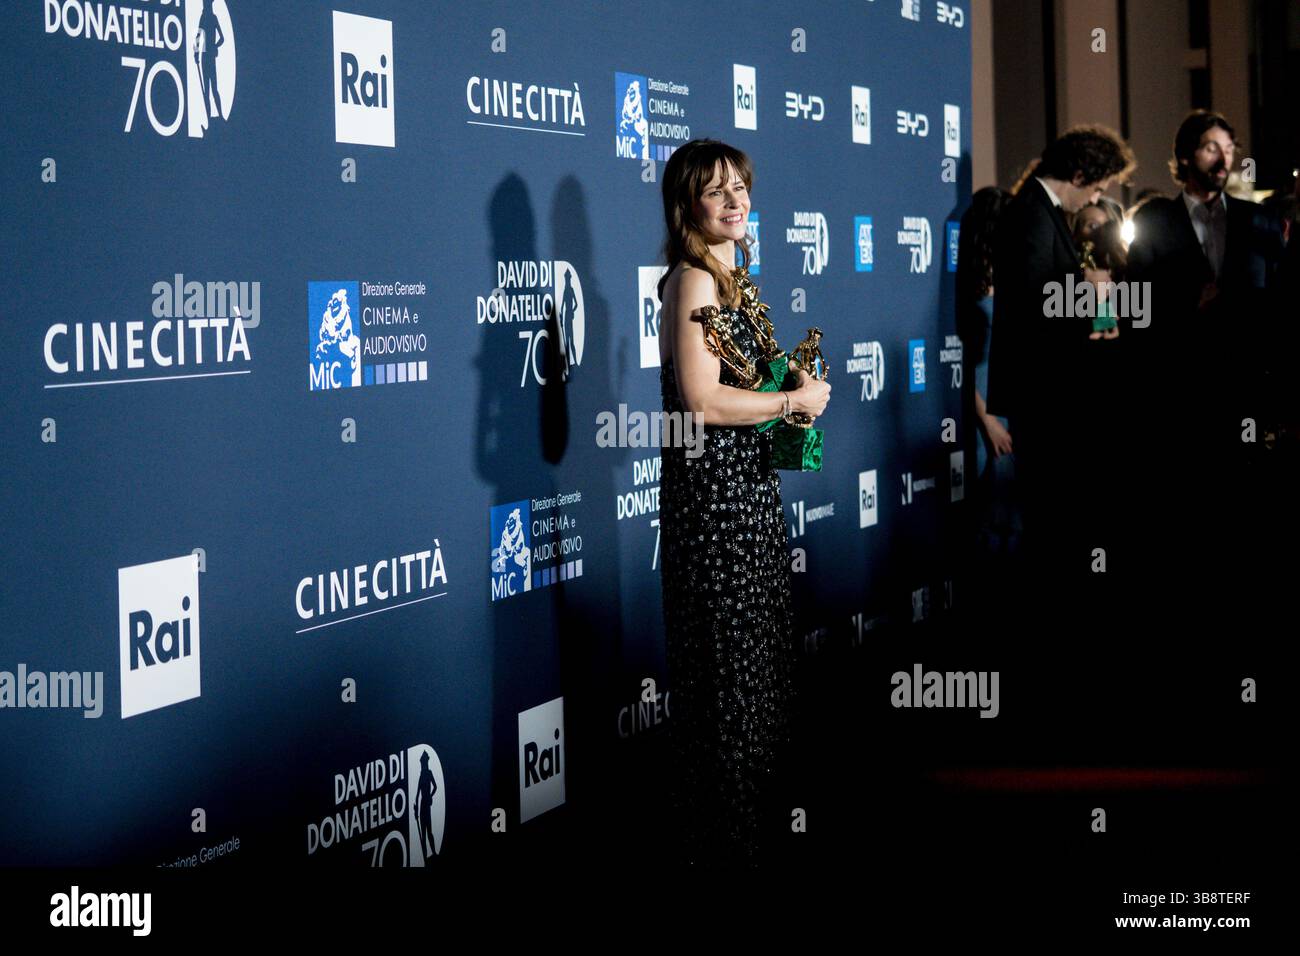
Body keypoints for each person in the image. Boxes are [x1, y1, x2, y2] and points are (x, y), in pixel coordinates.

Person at [655, 139, 830, 867]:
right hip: (714, 496)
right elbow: (698, 401)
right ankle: (725, 843)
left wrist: (790, 381)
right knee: (728, 670)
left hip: (749, 487)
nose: (734, 202)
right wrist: (791, 400)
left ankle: (748, 829)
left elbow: (742, 385)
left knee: (756, 667)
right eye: (716, 191)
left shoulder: (734, 279)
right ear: (687, 205)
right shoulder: (693, 281)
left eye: (741, 188)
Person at [1124, 111, 1286, 612]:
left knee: (1247, 516)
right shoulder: (1152, 221)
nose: (1225, 159)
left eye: (1230, 149)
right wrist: (1184, 308)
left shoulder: (1258, 221)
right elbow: (1135, 309)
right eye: (1213, 148)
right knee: (1187, 520)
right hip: (1181, 399)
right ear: (1185, 156)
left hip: (1247, 394)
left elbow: (1282, 306)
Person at [985, 125, 1135, 617]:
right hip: (1043, 397)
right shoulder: (1030, 213)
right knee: (1051, 519)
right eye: (1098, 185)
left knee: (1061, 517)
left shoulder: (1040, 210)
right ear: (1078, 173)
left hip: (1053, 395)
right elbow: (1032, 307)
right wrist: (1083, 288)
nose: (1098, 196)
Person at [956, 187, 1019, 571]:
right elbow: (966, 361)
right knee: (992, 515)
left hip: (1011, 399)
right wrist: (987, 420)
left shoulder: (1015, 270)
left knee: (1013, 513)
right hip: (987, 408)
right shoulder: (974, 281)